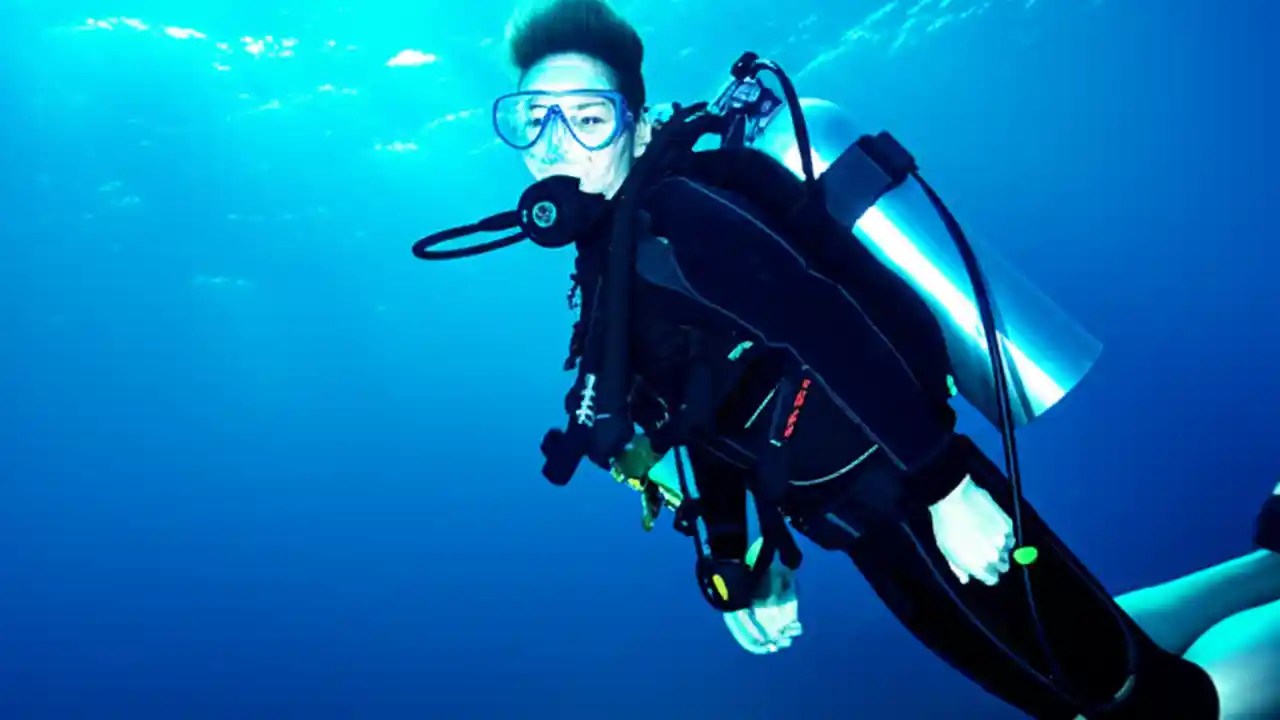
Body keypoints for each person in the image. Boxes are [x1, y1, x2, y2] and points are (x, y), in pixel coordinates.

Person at [416, 0, 1280, 717]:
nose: (555, 139)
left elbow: (818, 319)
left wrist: (947, 490)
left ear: (636, 129)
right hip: (871, 523)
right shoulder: (613, 257)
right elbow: (706, 410)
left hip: (913, 499)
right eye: (533, 116)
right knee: (1097, 658)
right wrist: (736, 556)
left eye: (588, 115)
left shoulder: (674, 214)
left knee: (1155, 709)